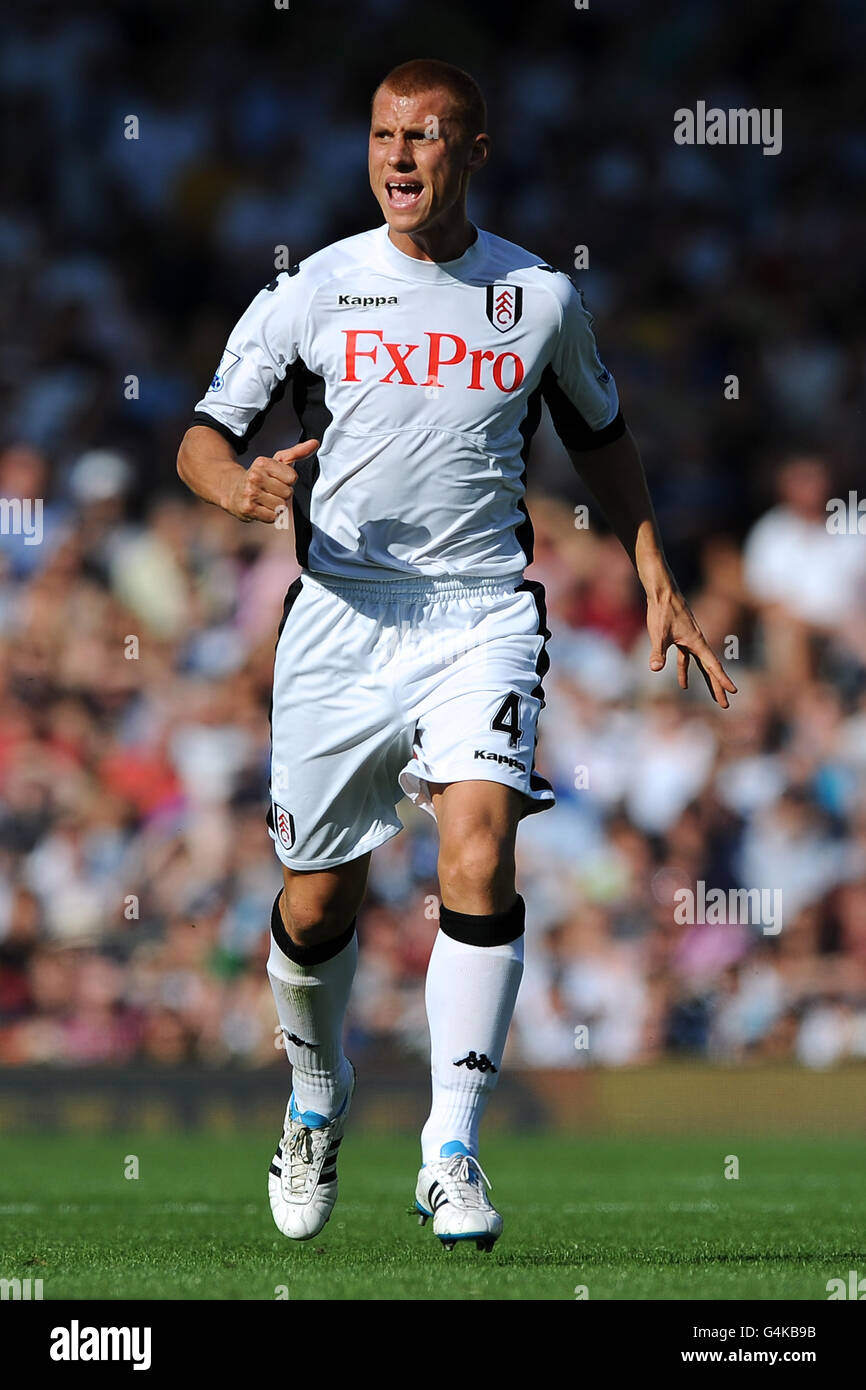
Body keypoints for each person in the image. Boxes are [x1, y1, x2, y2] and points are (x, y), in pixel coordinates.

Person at [176, 58, 736, 1251]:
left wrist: (654, 572)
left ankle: (450, 1149)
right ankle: (316, 1101)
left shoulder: (534, 298)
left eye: (425, 138)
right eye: (383, 134)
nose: (398, 157)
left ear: (472, 152)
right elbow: (203, 438)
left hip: (479, 610)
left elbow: (602, 437)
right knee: (318, 898)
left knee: (476, 845)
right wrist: (239, 492)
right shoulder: (315, 289)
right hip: (340, 617)